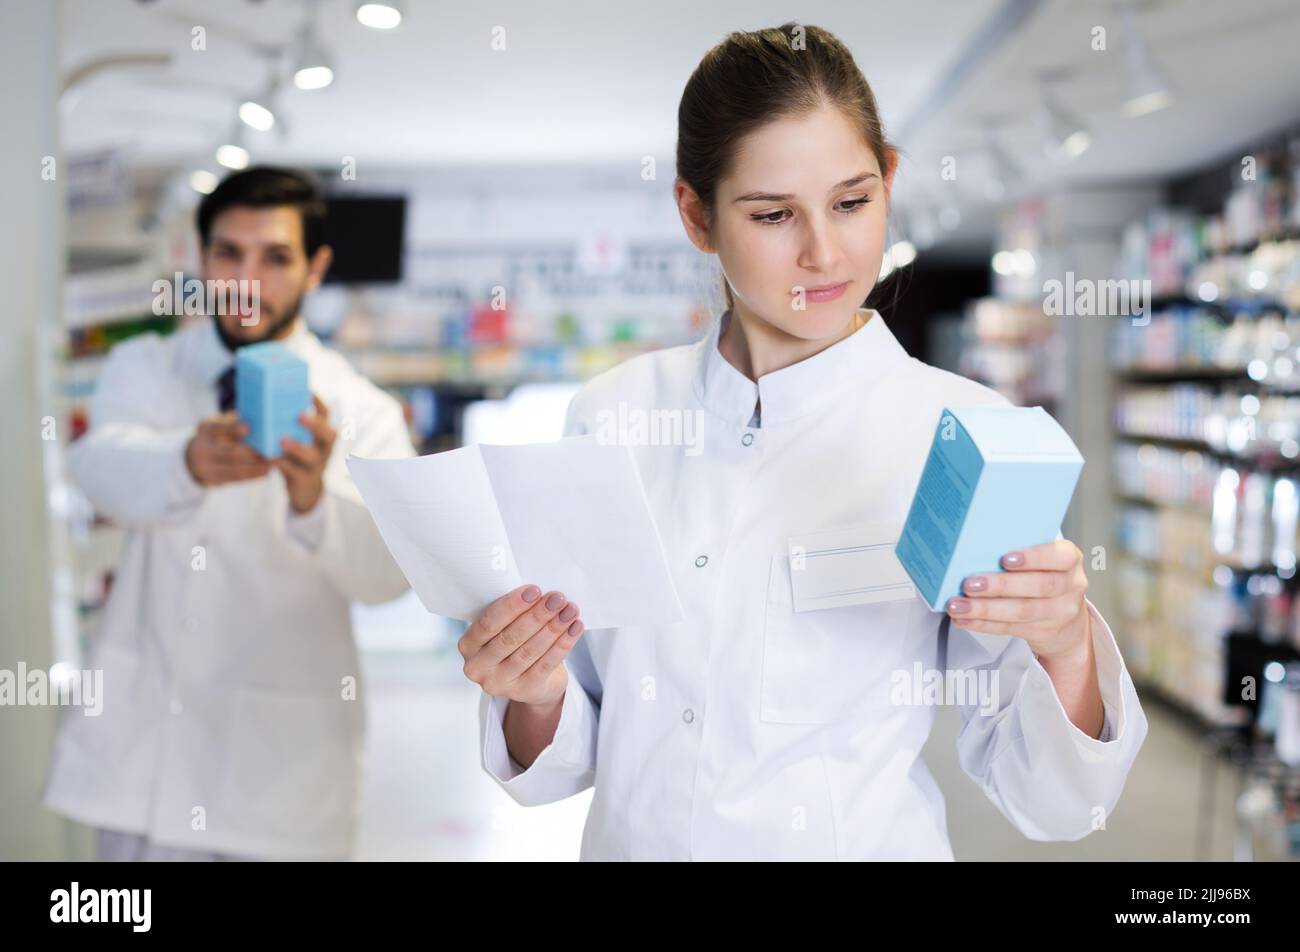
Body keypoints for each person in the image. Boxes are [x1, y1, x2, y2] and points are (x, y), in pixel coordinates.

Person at [460, 24, 1148, 860]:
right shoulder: (611, 419)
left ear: (889, 179)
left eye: (852, 202)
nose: (824, 252)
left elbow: (1053, 800)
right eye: (773, 214)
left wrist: (1064, 641)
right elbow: (573, 748)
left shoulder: (964, 435)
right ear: (696, 215)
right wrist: (532, 686)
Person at [43, 167, 415, 860]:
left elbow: (390, 574)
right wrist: (182, 463)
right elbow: (96, 472)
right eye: (228, 253)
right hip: (143, 762)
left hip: (277, 779)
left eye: (275, 257)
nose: (248, 278)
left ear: (316, 269)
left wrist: (313, 506)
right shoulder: (144, 366)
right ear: (199, 258)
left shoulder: (362, 412)